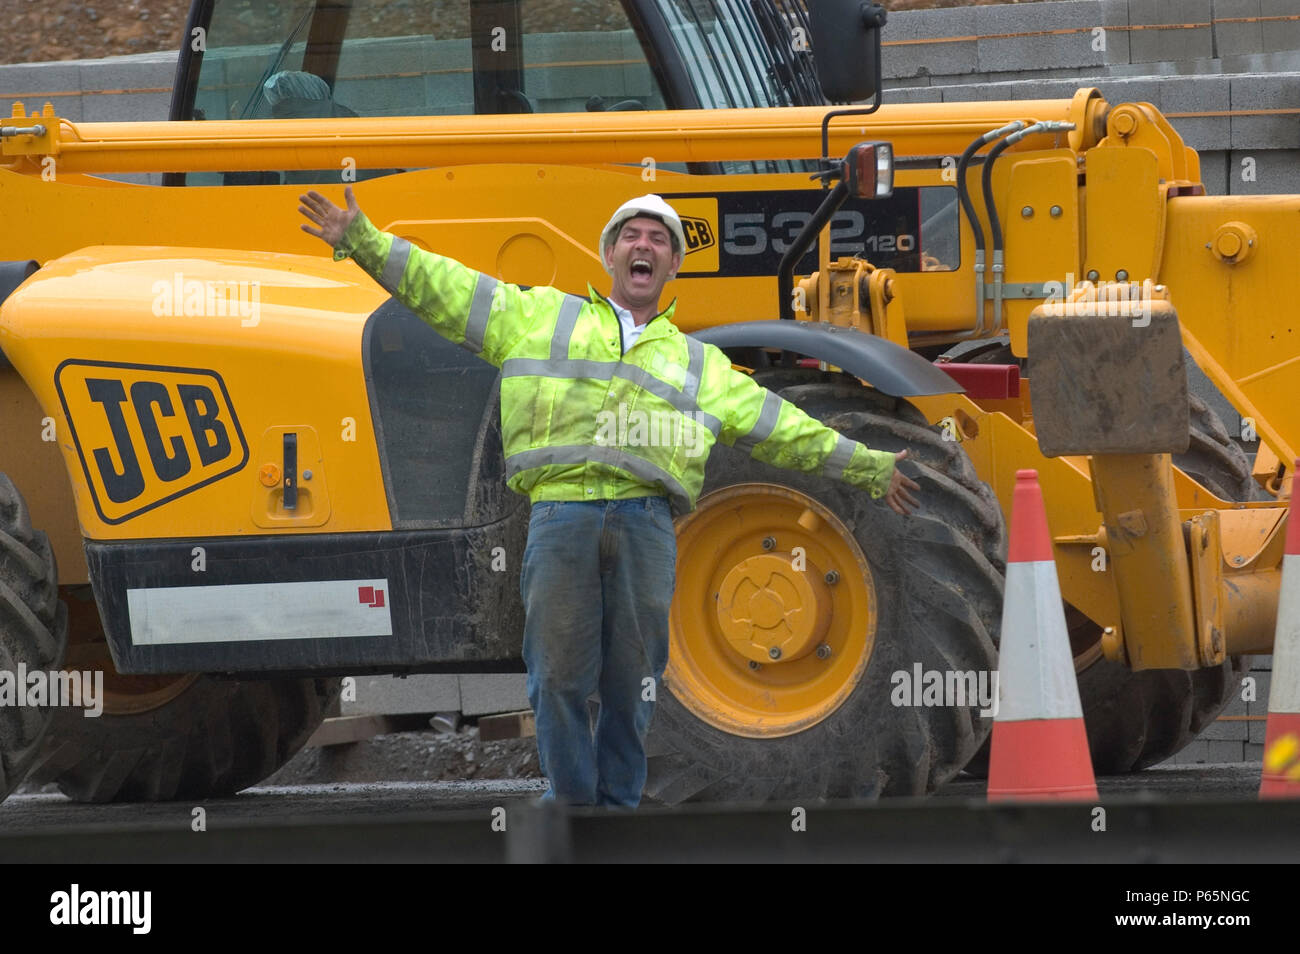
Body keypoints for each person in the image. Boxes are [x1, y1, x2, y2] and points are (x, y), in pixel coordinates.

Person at [297, 188, 922, 807]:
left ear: (673, 265)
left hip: (646, 523)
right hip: (560, 517)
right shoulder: (541, 317)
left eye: (658, 240)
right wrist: (362, 239)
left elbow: (783, 427)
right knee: (557, 673)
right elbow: (448, 289)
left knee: (636, 678)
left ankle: (619, 806)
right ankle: (570, 804)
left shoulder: (698, 364)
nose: (643, 246)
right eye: (632, 235)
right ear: (610, 255)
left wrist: (868, 466)